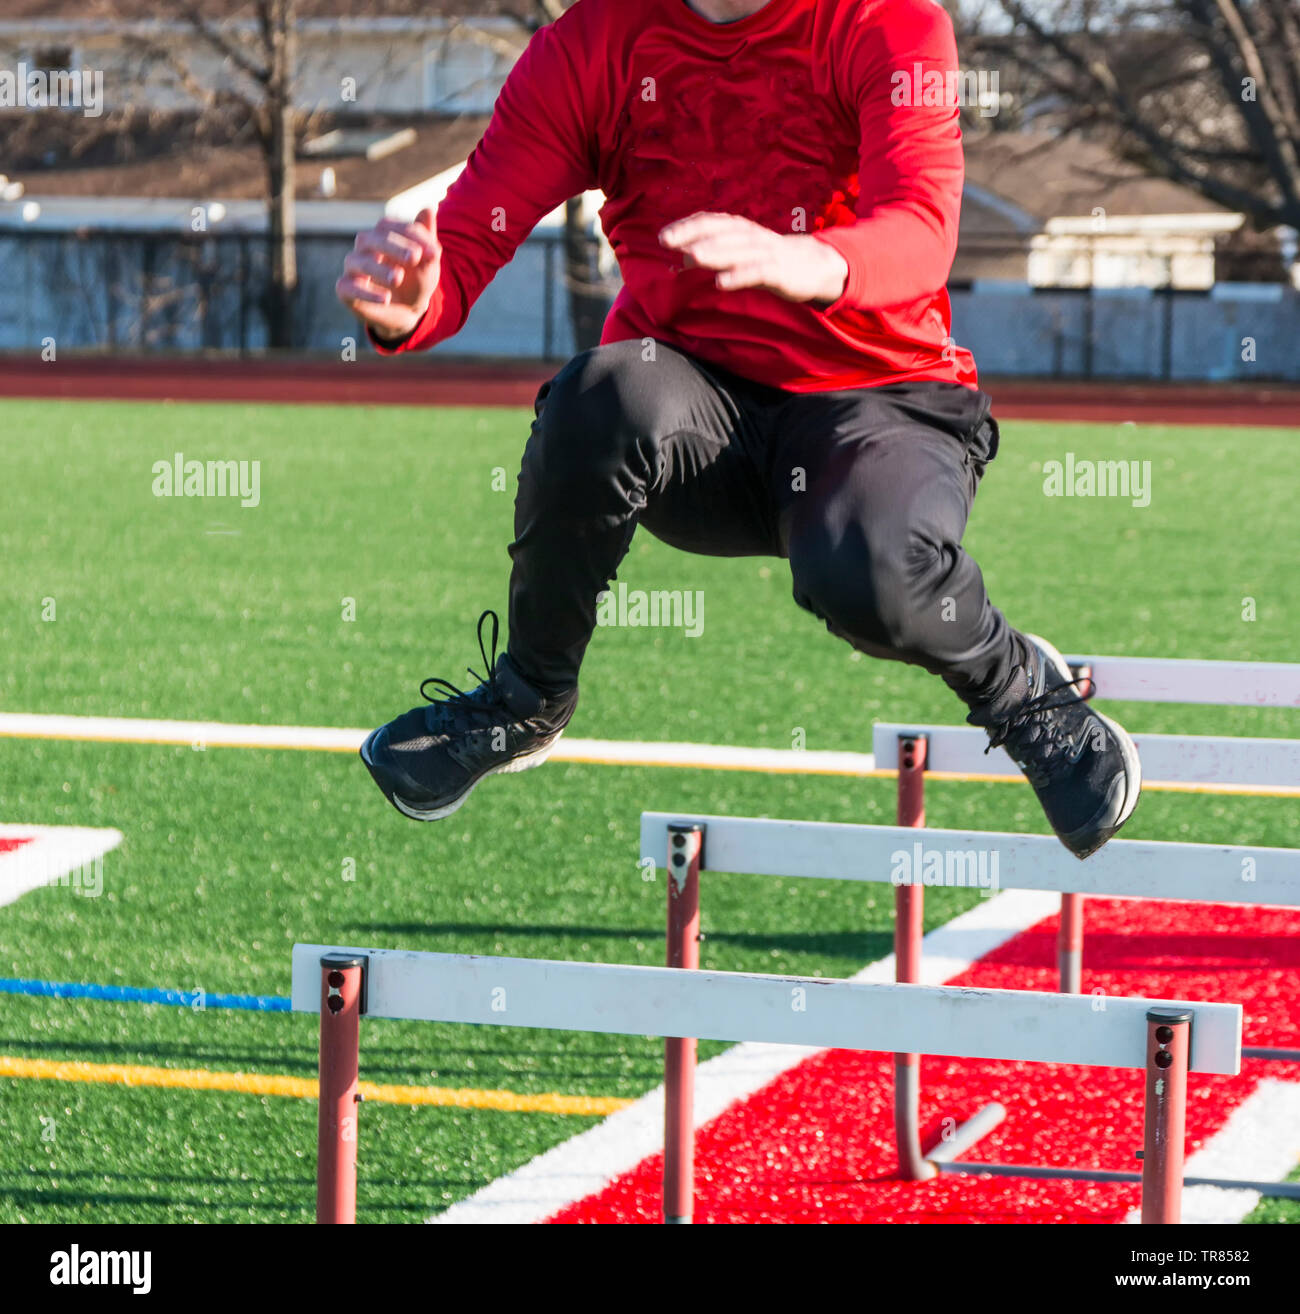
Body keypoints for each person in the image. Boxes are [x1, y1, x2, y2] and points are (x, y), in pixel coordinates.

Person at [335, 0, 1140, 859]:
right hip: (698, 424)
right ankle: (526, 700)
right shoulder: (591, 46)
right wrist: (413, 302)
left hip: (876, 400)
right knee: (599, 395)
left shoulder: (887, 22)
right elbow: (465, 240)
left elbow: (924, 225)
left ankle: (1023, 693)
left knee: (865, 571)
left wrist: (818, 259)